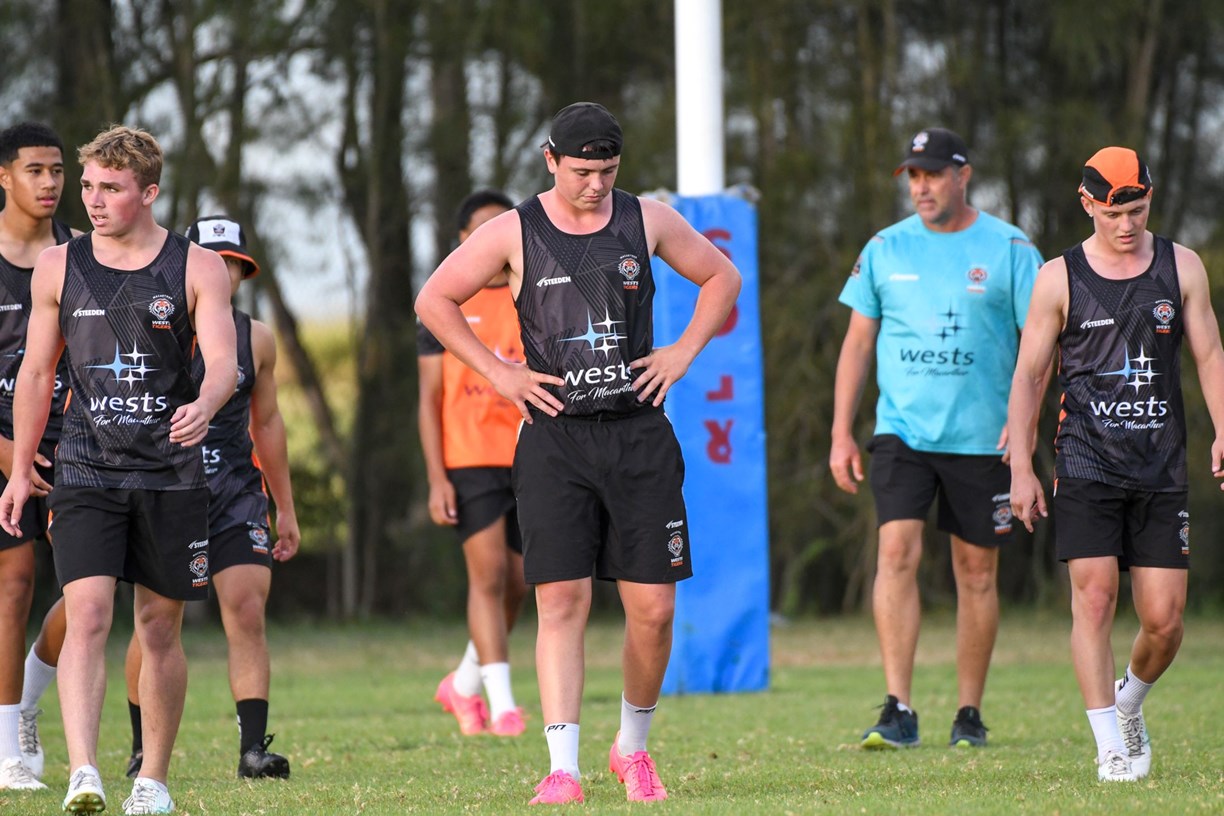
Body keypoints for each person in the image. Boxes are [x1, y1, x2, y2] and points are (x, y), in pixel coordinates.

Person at [415, 102, 740, 805]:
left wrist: (683, 351)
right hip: (555, 439)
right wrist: (498, 372)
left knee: (652, 612)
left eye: (608, 170)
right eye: (583, 171)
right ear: (551, 160)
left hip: (638, 435)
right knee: (560, 599)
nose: (595, 184)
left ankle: (633, 748)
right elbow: (434, 300)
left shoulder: (646, 219)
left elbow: (723, 278)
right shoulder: (512, 230)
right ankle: (562, 767)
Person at [0, 125, 236, 815]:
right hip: (84, 469)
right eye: (88, 187)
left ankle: (152, 782)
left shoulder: (197, 268)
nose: (92, 201)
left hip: (170, 475)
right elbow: (39, 371)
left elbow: (223, 362)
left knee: (159, 628)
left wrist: (206, 401)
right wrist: (19, 470)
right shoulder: (59, 266)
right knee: (88, 612)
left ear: (149, 193)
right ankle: (83, 773)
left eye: (111, 188)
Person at [1008, 147, 1224, 782]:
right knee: (1095, 597)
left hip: (1160, 465)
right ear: (1087, 205)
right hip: (1085, 462)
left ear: (1149, 200)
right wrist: (1021, 467)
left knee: (1165, 622)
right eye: (1112, 212)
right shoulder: (1059, 278)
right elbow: (1029, 375)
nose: (1125, 224)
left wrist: (1221, 430)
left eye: (1135, 209)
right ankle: (1109, 746)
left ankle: (1128, 700)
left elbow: (1210, 355)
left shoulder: (1180, 267)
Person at [830, 128, 1043, 749]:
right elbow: (857, 344)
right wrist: (843, 431)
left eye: (931, 175)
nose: (921, 187)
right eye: (913, 177)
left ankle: (968, 714)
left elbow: (1041, 342)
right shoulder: (884, 249)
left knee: (976, 572)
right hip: (903, 432)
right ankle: (898, 708)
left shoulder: (1009, 248)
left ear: (962, 175)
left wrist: (1022, 417)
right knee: (895, 551)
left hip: (983, 439)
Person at [122, 215, 300, 781]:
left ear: (242, 272)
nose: (221, 272)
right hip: (165, 489)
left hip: (236, 495)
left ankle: (253, 750)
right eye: (211, 260)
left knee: (247, 609)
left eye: (232, 264)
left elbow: (268, 423)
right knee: (155, 623)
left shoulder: (258, 337)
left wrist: (285, 506)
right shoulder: (151, 326)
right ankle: (139, 748)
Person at [419, 190, 529, 738]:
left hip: (530, 454)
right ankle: (503, 705)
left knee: (521, 582)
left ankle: (461, 683)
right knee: (487, 576)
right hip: (470, 460)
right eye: (480, 233)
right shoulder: (445, 304)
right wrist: (437, 476)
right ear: (464, 242)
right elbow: (429, 399)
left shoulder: (532, 294)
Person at [0, 122, 77, 792]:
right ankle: (7, 751)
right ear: (3, 176)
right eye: (34, 170)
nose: (49, 183)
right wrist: (9, 453)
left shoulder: (81, 253)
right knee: (15, 582)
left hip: (75, 443)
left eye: (56, 170)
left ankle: (27, 696)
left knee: (89, 592)